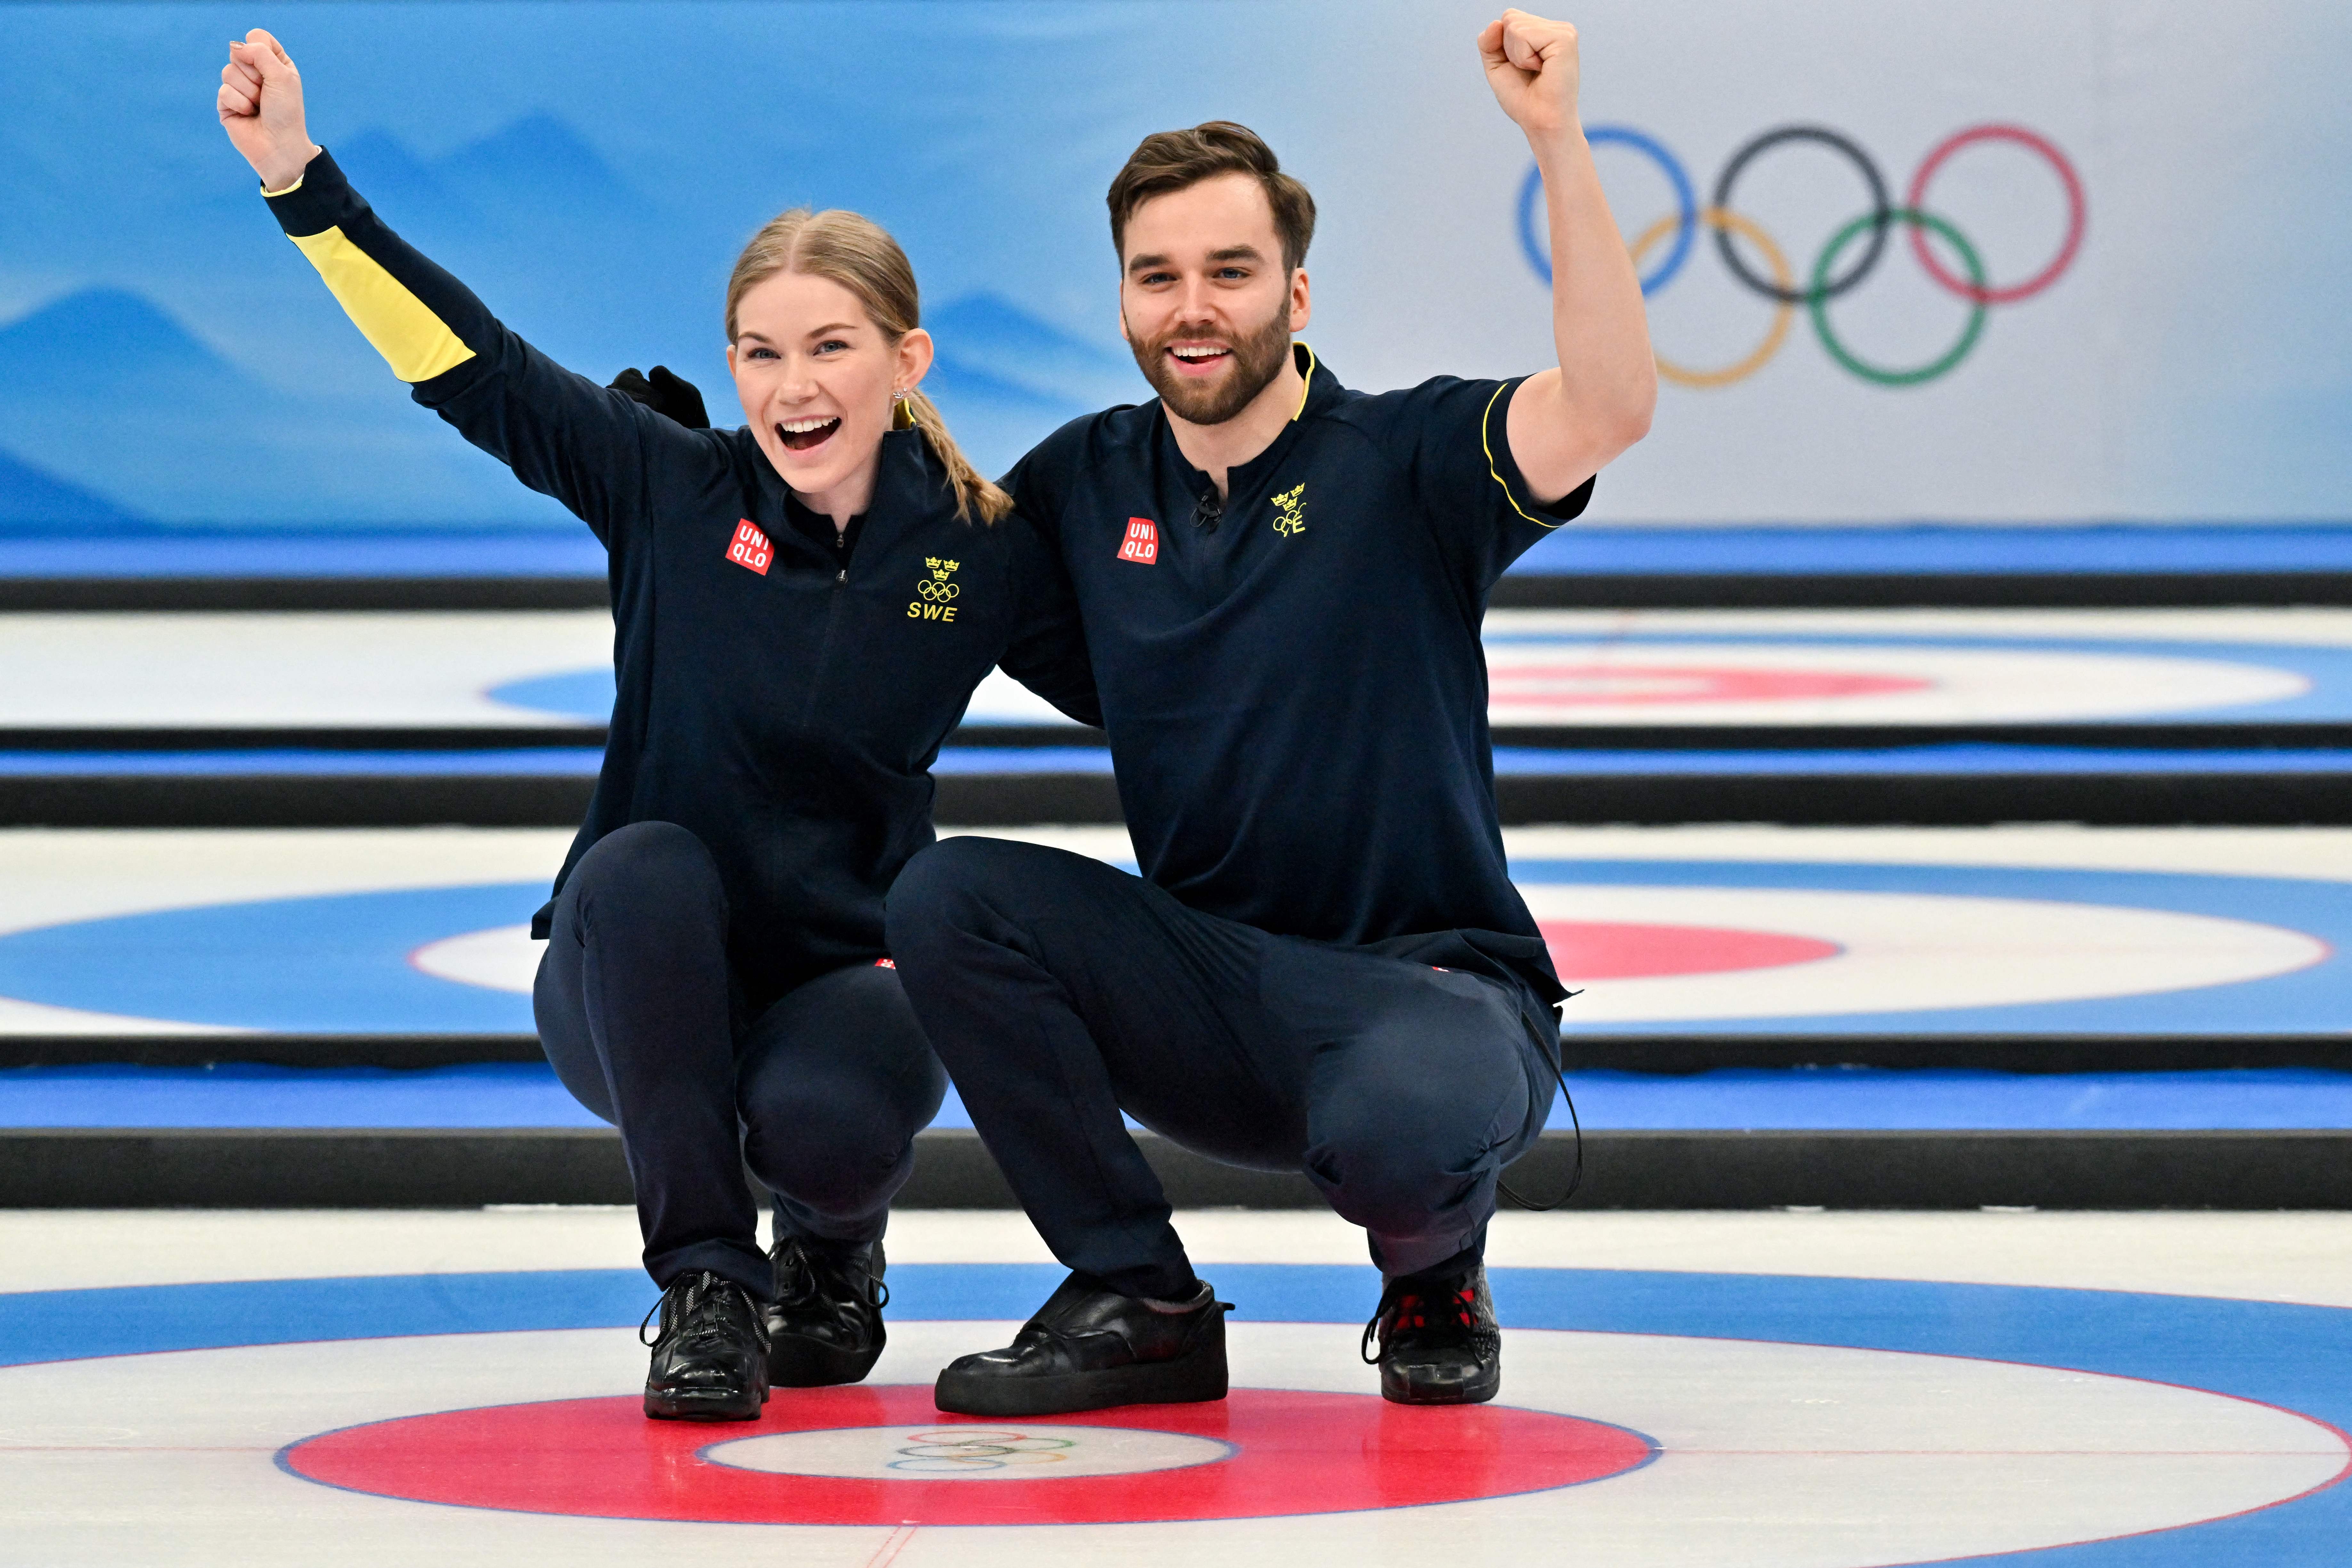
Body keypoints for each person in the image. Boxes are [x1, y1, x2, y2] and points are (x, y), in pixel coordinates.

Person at [216, 29, 1098, 1422]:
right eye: (760, 352)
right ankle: (705, 1288)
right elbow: (475, 369)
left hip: (832, 983)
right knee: (642, 861)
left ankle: (833, 1235)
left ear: (906, 356)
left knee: (836, 1116)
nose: (792, 387)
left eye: (830, 348)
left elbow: (1164, 686)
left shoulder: (980, 557)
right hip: (625, 972)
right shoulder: (674, 490)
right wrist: (300, 184)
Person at [883, 10, 1655, 1414]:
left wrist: (1556, 140)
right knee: (947, 898)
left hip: (1432, 997)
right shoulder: (1078, 485)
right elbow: (897, 597)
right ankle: (1141, 1298)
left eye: (1231, 272)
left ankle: (1434, 1269)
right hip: (1215, 1000)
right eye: (1158, 276)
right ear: (1121, 301)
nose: (1194, 307)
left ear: (1297, 296)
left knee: (1399, 1120)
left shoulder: (1405, 458)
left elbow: (1607, 406)